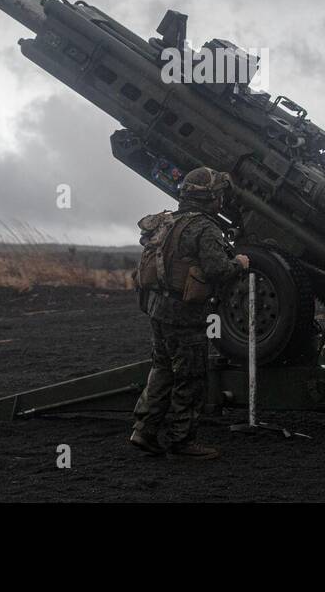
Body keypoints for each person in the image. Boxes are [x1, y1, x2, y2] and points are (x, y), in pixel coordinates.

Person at [129, 167, 249, 459]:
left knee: (161, 369)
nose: (221, 199)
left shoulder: (168, 221)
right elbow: (218, 270)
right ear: (210, 197)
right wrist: (241, 263)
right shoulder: (205, 228)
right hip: (185, 315)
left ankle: (143, 431)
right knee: (190, 377)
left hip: (158, 309)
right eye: (218, 194)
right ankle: (182, 441)